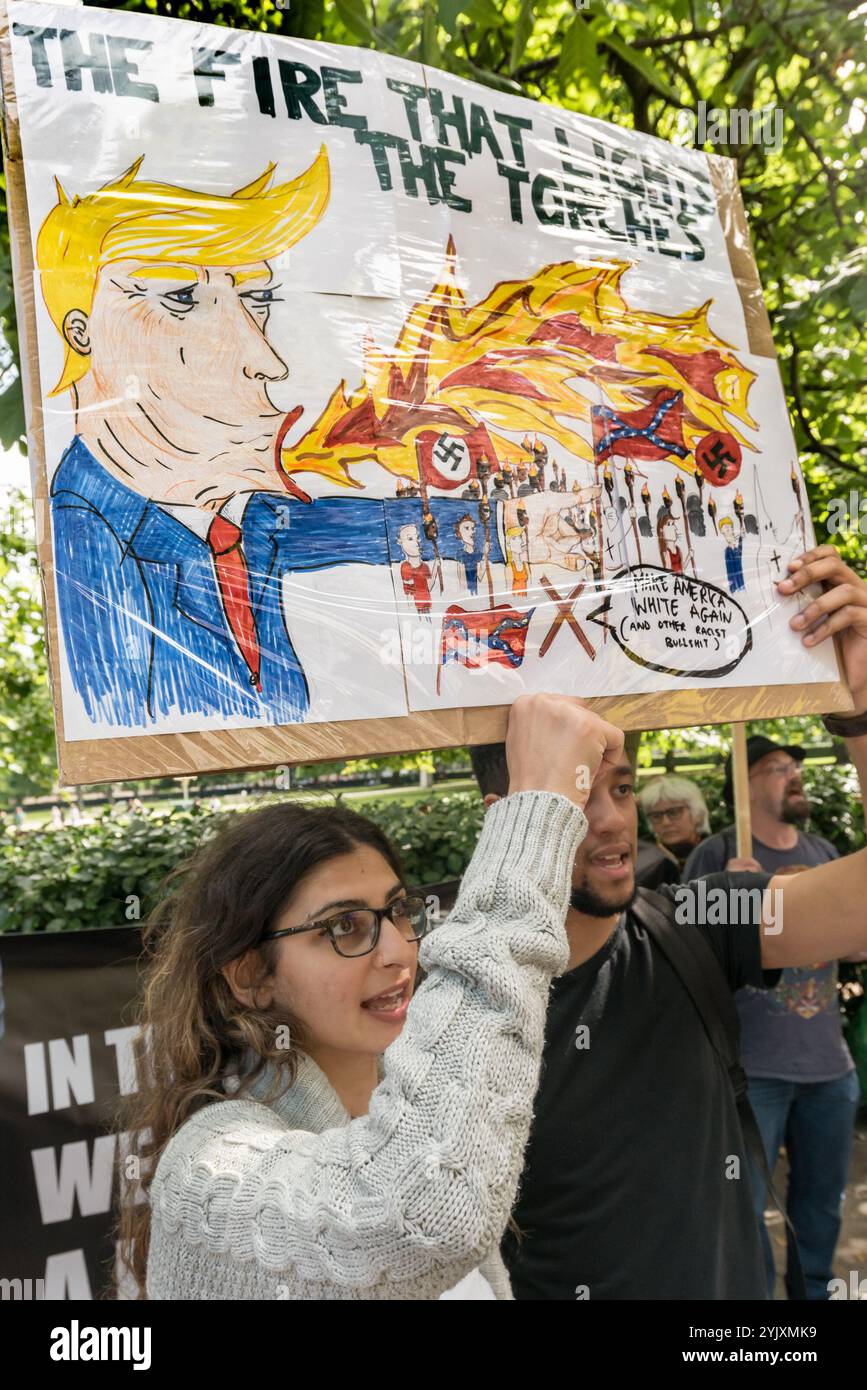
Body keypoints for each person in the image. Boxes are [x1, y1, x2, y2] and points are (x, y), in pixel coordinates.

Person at [116, 693, 622, 1300]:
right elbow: (420, 1211)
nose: (397, 952)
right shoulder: (209, 1166)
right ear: (250, 975)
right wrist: (536, 809)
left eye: (397, 912)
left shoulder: (411, 1103)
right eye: (343, 927)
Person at [468, 545, 867, 1300]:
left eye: (619, 788)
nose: (612, 822)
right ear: (506, 818)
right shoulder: (458, 996)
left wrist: (861, 709)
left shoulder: (695, 914)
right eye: (574, 792)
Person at [683, 733, 861, 1299]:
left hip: (829, 1070)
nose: (794, 775)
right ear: (748, 782)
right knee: (745, 1210)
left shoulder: (824, 854)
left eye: (795, 766)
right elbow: (679, 952)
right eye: (780, 766)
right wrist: (726, 901)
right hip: (751, 1072)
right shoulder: (716, 855)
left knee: (820, 1210)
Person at [638, 773, 709, 873]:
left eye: (674, 812)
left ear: (697, 814)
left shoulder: (718, 851)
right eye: (656, 815)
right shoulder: (644, 860)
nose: (665, 822)